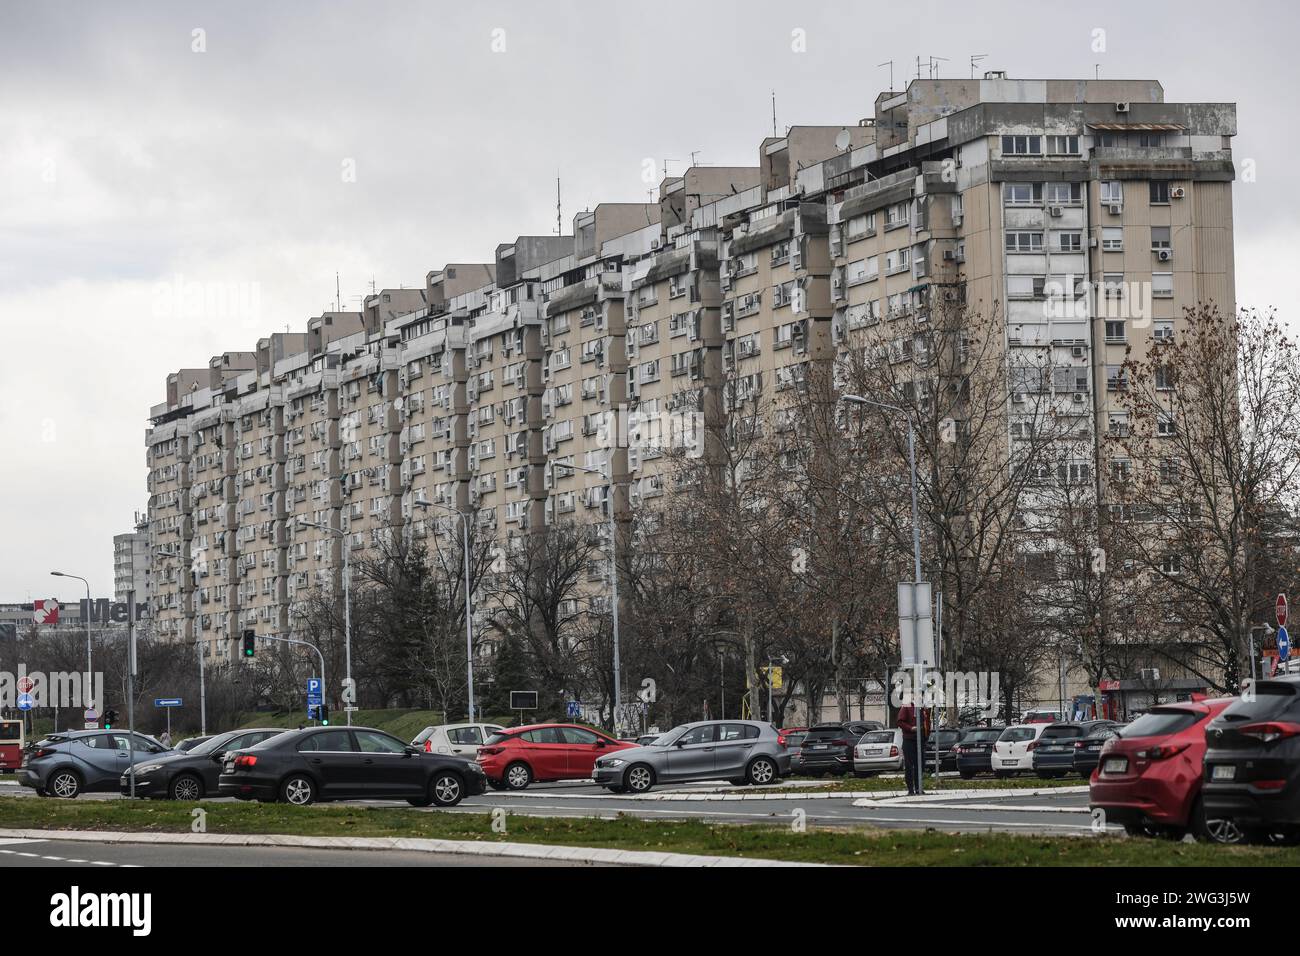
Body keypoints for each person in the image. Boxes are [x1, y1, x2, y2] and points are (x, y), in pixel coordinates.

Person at [896, 701, 932, 795]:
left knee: (920, 765)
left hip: (921, 740)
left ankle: (919, 788)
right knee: (909, 766)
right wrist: (910, 728)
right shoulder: (907, 706)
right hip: (909, 740)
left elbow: (927, 722)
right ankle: (910, 790)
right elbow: (900, 721)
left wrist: (927, 733)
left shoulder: (923, 708)